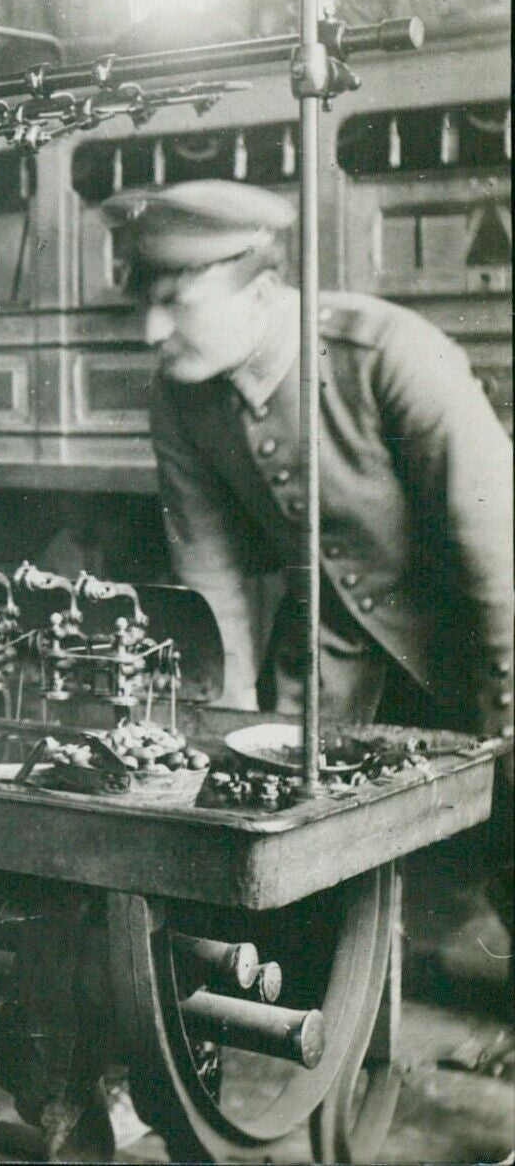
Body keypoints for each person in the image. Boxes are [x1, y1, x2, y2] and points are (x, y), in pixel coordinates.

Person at [107, 178, 512, 927]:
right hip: (325, 653)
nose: (151, 332)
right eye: (143, 303)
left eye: (178, 303)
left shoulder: (386, 352)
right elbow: (211, 578)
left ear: (262, 291)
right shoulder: (177, 394)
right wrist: (225, 727)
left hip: (474, 640)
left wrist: (506, 719)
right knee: (294, 848)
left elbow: (496, 554)